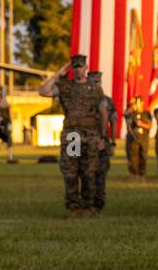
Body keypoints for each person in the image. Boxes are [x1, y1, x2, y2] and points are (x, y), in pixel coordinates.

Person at [42, 55, 101, 217]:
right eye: (74, 67)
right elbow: (43, 91)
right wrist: (57, 75)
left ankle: (88, 206)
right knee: (71, 171)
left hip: (90, 134)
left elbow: (102, 112)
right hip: (73, 134)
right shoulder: (65, 87)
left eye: (80, 66)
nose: (78, 70)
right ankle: (74, 206)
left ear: (86, 67)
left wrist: (103, 137)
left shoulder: (95, 87)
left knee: (89, 171)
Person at [90, 71, 115, 212]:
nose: (96, 85)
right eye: (93, 82)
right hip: (78, 139)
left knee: (100, 173)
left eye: (97, 82)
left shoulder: (106, 101)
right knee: (82, 172)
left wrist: (112, 142)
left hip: (101, 141)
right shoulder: (83, 98)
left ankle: (98, 204)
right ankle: (83, 202)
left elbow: (112, 122)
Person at [124, 94, 152, 180]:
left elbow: (149, 126)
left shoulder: (146, 113)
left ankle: (142, 174)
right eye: (136, 103)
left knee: (143, 156)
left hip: (144, 138)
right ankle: (133, 173)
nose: (138, 104)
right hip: (134, 138)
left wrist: (142, 124)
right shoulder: (131, 113)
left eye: (139, 102)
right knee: (133, 157)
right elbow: (128, 124)